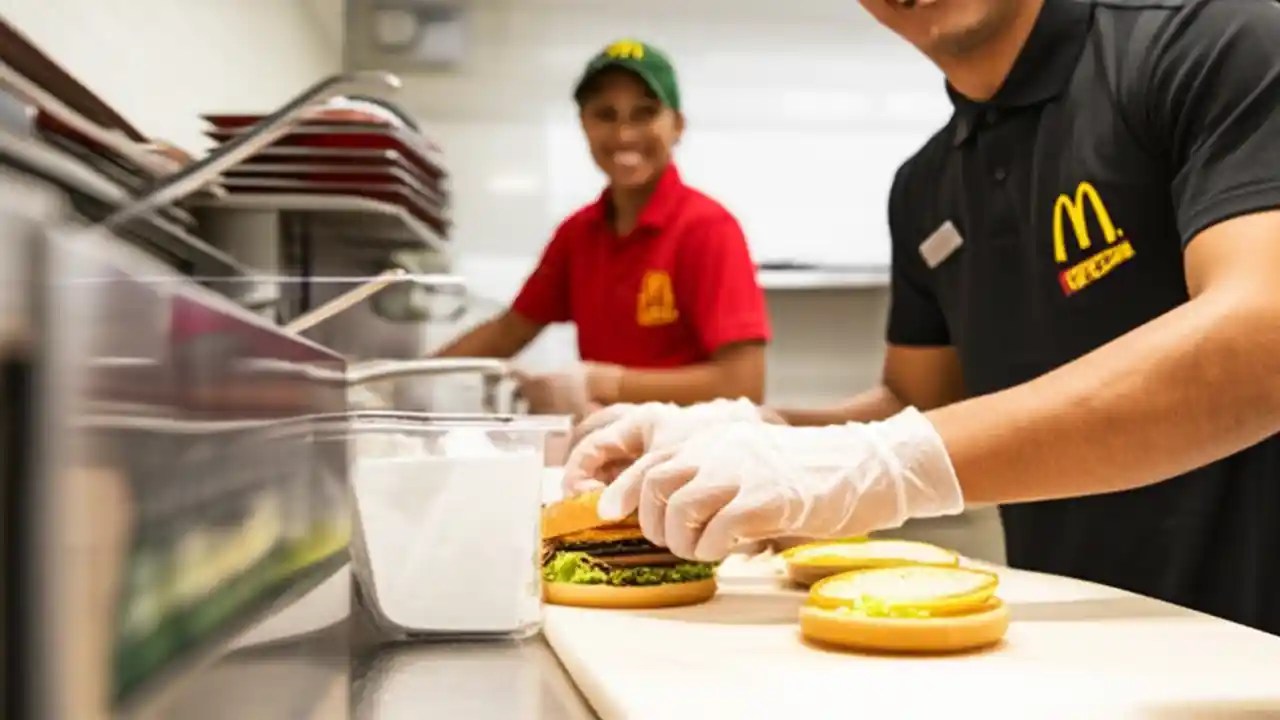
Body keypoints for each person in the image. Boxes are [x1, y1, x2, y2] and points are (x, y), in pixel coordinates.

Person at [563, 0, 1280, 636]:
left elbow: (1262, 339)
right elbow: (917, 404)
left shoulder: (1211, 44)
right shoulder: (926, 187)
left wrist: (871, 466)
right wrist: (757, 438)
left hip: (1250, 639)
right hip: (1073, 633)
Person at [433, 39, 770, 418]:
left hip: (692, 457)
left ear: (677, 126)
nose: (624, 135)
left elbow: (744, 383)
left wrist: (605, 383)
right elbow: (507, 332)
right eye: (606, 115)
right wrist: (402, 381)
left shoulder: (708, 229)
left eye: (644, 114)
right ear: (584, 125)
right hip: (608, 452)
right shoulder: (578, 235)